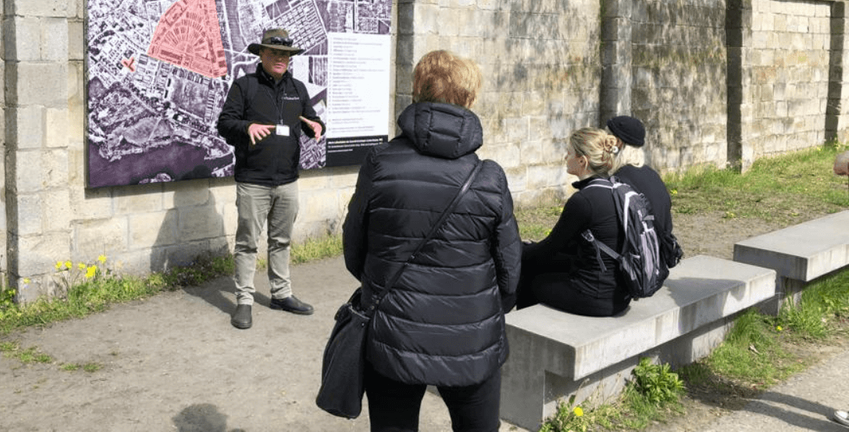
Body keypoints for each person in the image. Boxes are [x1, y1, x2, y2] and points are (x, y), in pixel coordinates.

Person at [342, 50, 522, 432]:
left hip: (394, 333)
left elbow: (354, 250)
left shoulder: (380, 163)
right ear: (469, 100)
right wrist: (481, 310)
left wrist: (386, 285)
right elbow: (510, 271)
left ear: (416, 93)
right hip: (472, 339)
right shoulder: (489, 176)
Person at [216, 28, 325, 330]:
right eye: (275, 53)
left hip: (288, 181)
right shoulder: (245, 86)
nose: (280, 59)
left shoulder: (298, 89)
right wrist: (247, 127)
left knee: (281, 240)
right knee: (248, 243)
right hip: (253, 180)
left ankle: (281, 294)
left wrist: (317, 127)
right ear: (261, 54)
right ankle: (244, 301)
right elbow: (224, 124)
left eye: (285, 55)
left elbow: (312, 119)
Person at [518, 127, 631, 317]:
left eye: (569, 153)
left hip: (596, 297)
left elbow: (550, 248)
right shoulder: (616, 189)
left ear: (582, 161)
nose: (565, 158)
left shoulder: (584, 201)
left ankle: (527, 339)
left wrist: (519, 250)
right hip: (621, 293)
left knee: (531, 278)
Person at [607, 115, 674, 241]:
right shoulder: (651, 174)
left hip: (641, 253)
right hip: (659, 249)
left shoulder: (620, 180)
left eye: (607, 139)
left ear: (617, 143)